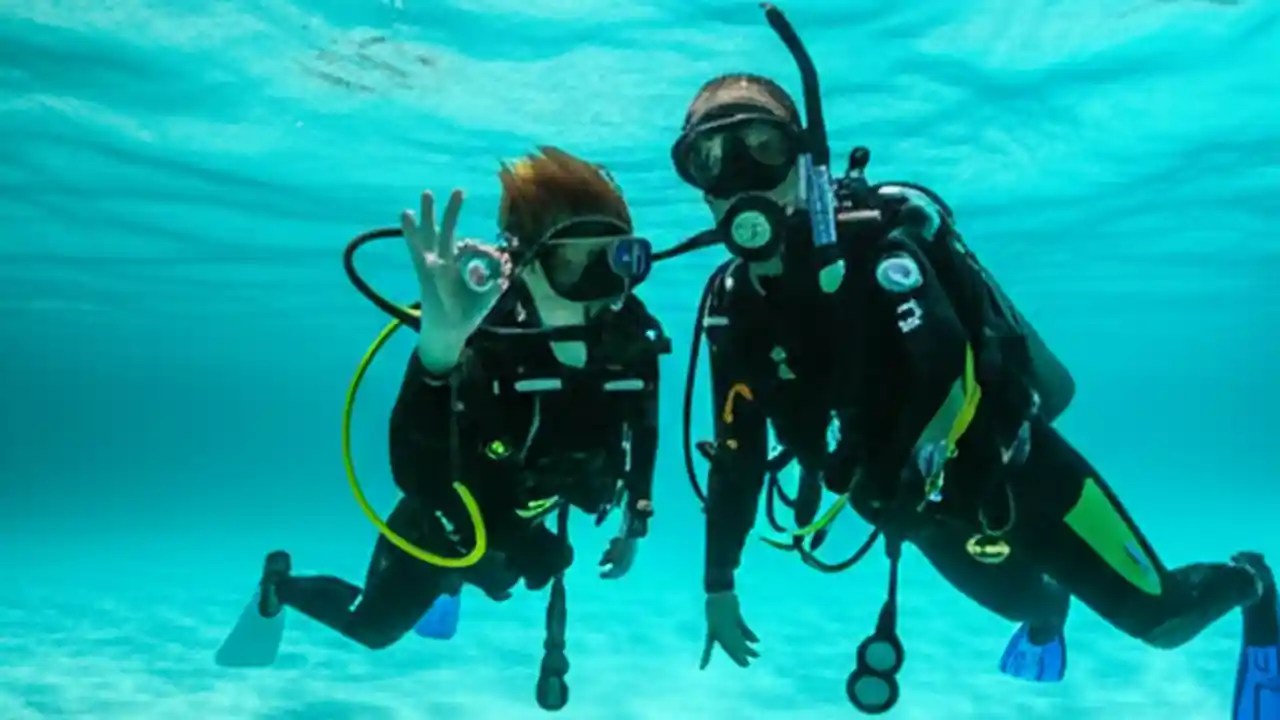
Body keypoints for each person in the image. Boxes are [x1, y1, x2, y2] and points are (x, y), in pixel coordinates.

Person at [662, 6, 1278, 717]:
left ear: (805, 159)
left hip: (1022, 476)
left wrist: (886, 457)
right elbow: (736, 450)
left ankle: (1251, 582)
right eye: (708, 158)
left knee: (1162, 623)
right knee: (1036, 605)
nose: (739, 175)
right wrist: (718, 583)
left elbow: (940, 360)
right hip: (925, 520)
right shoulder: (734, 306)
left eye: (761, 144)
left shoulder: (876, 249)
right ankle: (1049, 618)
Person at [215, 147, 668, 712]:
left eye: (620, 259)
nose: (606, 289)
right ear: (522, 261)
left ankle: (466, 579)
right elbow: (415, 471)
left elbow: (644, 428)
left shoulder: (630, 342)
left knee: (500, 574)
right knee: (372, 629)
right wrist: (438, 354)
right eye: (575, 266)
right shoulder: (481, 337)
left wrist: (635, 519)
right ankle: (280, 585)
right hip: (443, 521)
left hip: (519, 518)